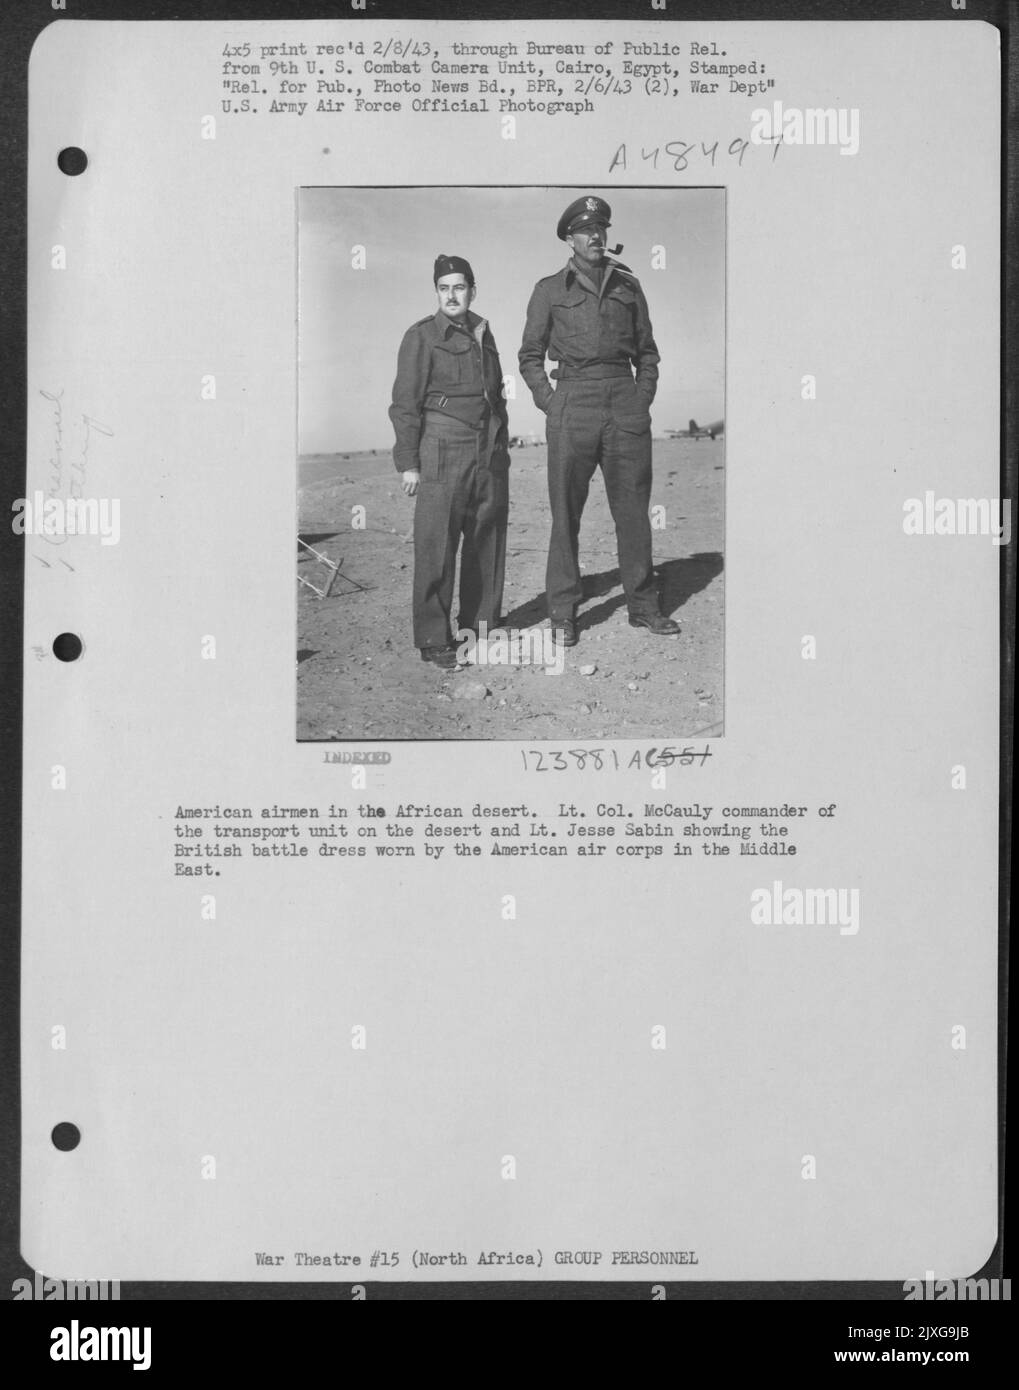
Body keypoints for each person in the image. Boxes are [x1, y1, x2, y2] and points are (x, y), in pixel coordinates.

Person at [518, 195, 680, 647]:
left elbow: (648, 352)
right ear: (570, 238)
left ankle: (644, 606)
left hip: (622, 400)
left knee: (632, 511)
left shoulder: (628, 287)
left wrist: (640, 398)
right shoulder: (549, 289)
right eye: (586, 231)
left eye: (601, 229)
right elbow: (529, 355)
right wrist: (552, 402)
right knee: (565, 513)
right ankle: (563, 612)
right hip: (572, 403)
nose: (595, 237)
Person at [389, 255, 511, 669]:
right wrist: (409, 462)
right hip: (441, 446)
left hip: (487, 449)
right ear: (437, 293)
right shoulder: (421, 336)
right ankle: (433, 637)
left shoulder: (484, 332)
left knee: (486, 540)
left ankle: (478, 627)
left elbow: (497, 394)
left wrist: (501, 447)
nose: (452, 295)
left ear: (472, 290)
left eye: (459, 287)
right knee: (436, 544)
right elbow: (405, 404)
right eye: (444, 288)